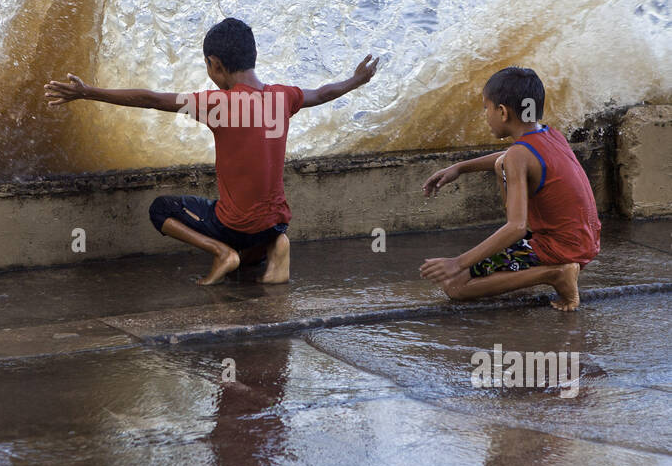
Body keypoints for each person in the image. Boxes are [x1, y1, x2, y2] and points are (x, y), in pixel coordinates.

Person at [45, 17, 378, 285]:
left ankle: (221, 252)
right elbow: (321, 93)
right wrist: (356, 80)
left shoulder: (218, 104)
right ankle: (276, 245)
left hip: (236, 226)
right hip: (276, 222)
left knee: (162, 210)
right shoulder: (283, 97)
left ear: (215, 64)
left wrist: (88, 93)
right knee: (253, 243)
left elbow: (151, 99)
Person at [419, 66, 600, 311]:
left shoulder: (518, 155)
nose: (486, 114)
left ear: (502, 112)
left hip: (559, 249)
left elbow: (516, 227)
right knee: (499, 164)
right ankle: (541, 266)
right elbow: (513, 156)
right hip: (583, 240)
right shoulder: (551, 134)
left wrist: (457, 263)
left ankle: (556, 274)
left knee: (455, 286)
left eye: (486, 108)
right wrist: (461, 167)